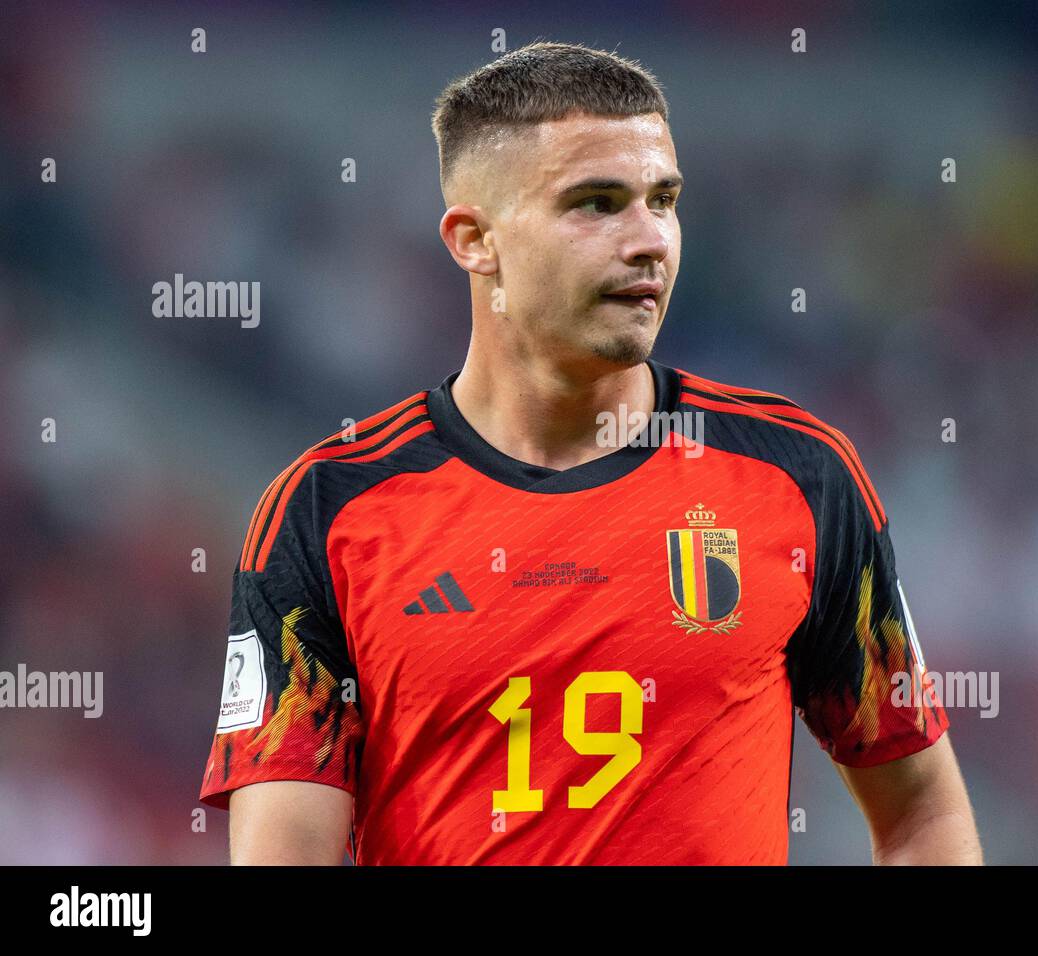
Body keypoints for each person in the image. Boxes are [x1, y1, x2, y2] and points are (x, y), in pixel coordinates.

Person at [199, 40, 981, 865]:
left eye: (663, 199)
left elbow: (923, 812)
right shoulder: (328, 512)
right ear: (475, 240)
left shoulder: (800, 476)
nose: (650, 240)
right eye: (597, 204)